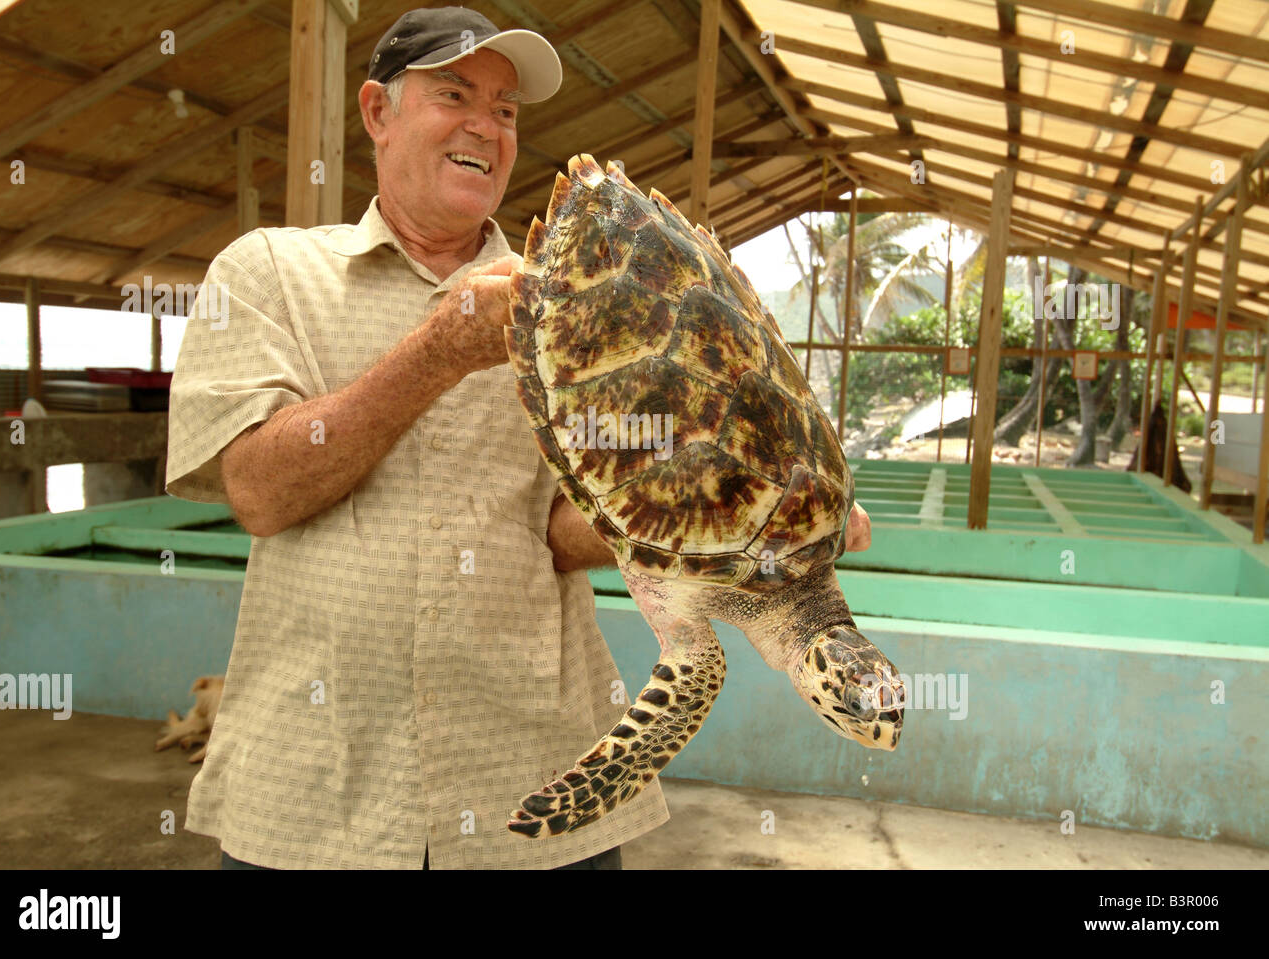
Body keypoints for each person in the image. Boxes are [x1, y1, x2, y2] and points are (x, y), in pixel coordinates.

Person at [166, 6, 871, 871]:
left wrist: (718, 531)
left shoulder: (588, 317)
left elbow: (562, 536)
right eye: (454, 94)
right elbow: (259, 493)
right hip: (317, 799)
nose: (485, 125)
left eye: (505, 110)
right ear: (377, 112)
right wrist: (440, 351)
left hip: (522, 782)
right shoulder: (269, 272)